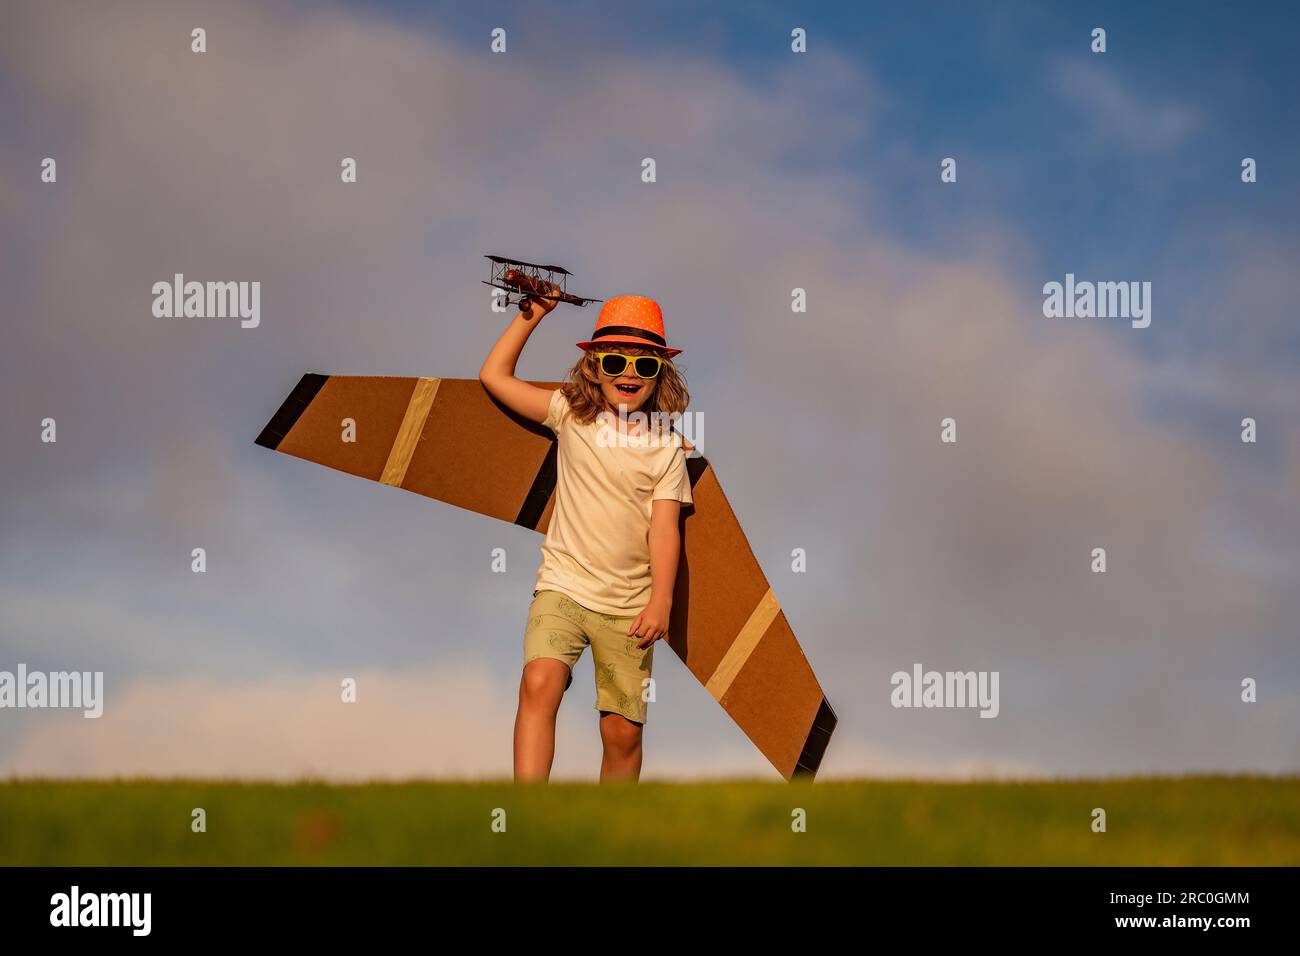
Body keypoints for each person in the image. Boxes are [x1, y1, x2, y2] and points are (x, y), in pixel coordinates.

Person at [479, 288, 693, 782]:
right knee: (538, 682)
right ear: (593, 366)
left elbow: (665, 530)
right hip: (563, 587)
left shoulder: (666, 450)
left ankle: (606, 836)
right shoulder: (570, 414)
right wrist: (531, 317)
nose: (627, 375)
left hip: (629, 607)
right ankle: (528, 818)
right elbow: (494, 378)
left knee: (623, 732)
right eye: (615, 360)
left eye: (644, 366)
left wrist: (661, 601)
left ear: (660, 374)